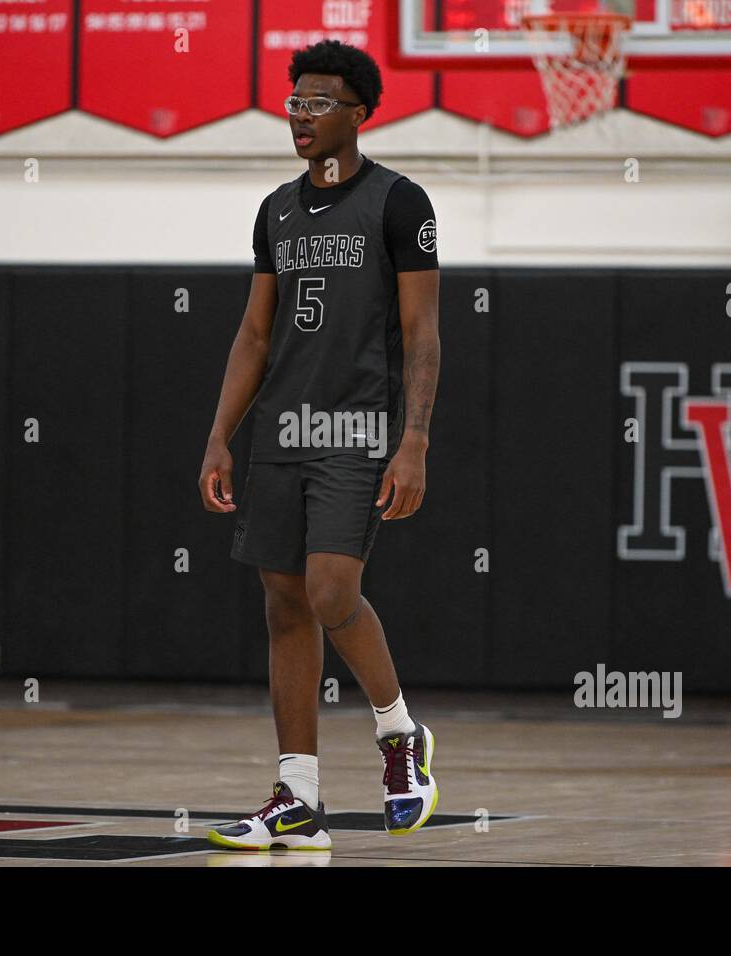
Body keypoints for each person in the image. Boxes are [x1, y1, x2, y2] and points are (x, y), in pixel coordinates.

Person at [198, 40, 441, 851]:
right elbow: (254, 334)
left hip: (358, 430)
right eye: (293, 101)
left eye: (316, 103)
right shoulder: (276, 210)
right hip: (282, 434)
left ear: (358, 112)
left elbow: (422, 333)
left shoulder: (402, 204)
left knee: (333, 591)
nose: (298, 116)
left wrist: (413, 442)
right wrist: (219, 437)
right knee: (284, 606)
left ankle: (399, 736)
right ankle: (297, 796)